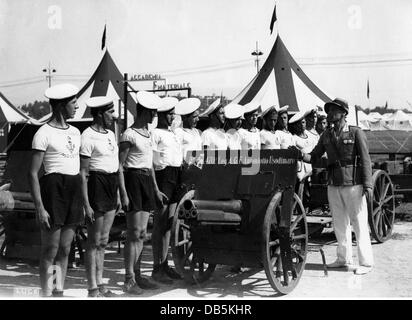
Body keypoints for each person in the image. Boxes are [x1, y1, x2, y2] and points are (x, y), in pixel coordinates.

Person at [301, 98, 374, 275]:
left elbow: (365, 160)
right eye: (329, 111)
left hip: (353, 184)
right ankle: (343, 258)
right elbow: (315, 156)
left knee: (359, 223)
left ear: (344, 113)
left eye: (334, 110)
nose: (330, 114)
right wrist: (300, 155)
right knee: (339, 223)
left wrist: (368, 184)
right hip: (333, 183)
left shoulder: (355, 133)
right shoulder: (326, 135)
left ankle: (366, 262)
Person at [28, 83, 83, 297]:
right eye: (73, 103)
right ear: (60, 106)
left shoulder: (77, 132)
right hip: (53, 189)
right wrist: (40, 208)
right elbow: (32, 173)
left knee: (66, 248)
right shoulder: (43, 133)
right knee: (50, 249)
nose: (77, 106)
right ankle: (46, 293)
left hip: (73, 189)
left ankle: (58, 291)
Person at [118, 91, 166, 294]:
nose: (155, 115)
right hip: (133, 180)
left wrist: (155, 189)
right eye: (153, 112)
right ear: (144, 111)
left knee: (142, 234)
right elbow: (119, 166)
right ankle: (129, 278)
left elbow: (150, 166)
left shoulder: (148, 135)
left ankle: (137, 275)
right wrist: (124, 194)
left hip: (146, 180)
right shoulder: (128, 134)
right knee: (134, 233)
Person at [79, 96, 119, 297]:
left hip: (111, 186)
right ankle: (92, 287)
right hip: (96, 186)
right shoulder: (87, 136)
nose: (113, 116)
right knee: (93, 241)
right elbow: (84, 173)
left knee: (104, 240)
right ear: (100, 113)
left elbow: (114, 164)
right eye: (110, 112)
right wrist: (86, 204)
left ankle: (101, 282)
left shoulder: (111, 134)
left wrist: (118, 193)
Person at [151, 96, 183, 284]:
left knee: (169, 226)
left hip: (175, 176)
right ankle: (157, 268)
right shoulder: (155, 134)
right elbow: (152, 164)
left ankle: (164, 264)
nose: (172, 117)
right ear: (161, 115)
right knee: (159, 225)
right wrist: (155, 188)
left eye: (173, 114)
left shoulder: (173, 133)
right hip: (163, 177)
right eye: (169, 114)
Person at [174, 97, 202, 161]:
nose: (198, 119)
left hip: (198, 167)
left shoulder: (196, 132)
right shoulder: (179, 132)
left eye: (198, 116)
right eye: (194, 117)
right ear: (184, 118)